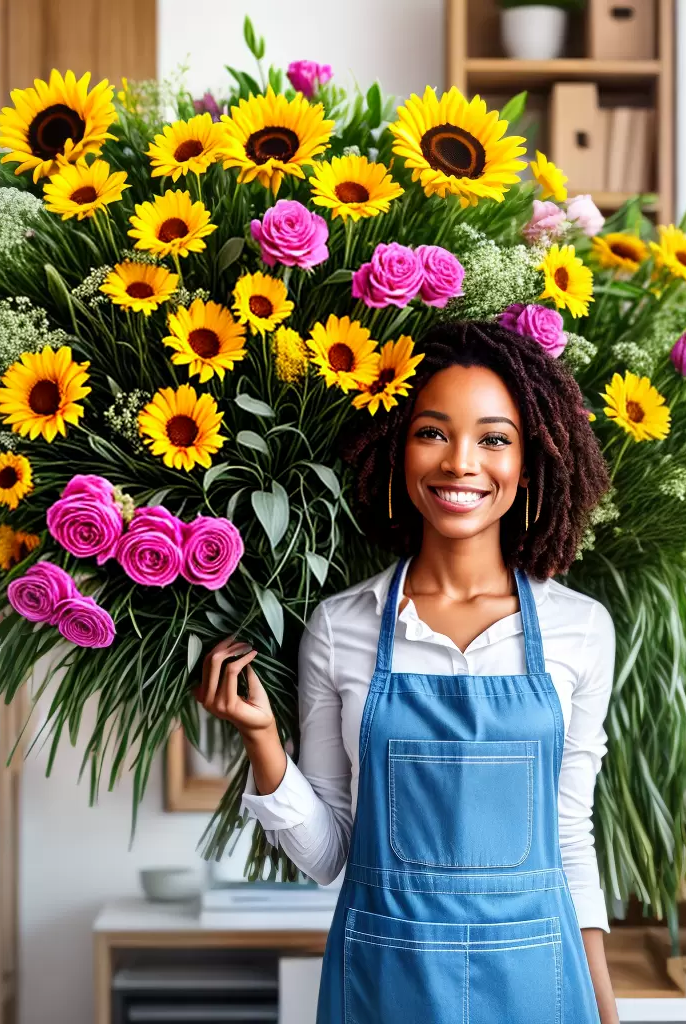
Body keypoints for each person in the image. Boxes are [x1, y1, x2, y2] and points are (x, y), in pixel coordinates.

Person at [194, 319, 619, 1023]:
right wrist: (262, 738)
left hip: (536, 979)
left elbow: (571, 839)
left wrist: (604, 1009)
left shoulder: (580, 630)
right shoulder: (342, 627)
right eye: (433, 432)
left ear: (530, 459)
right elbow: (330, 855)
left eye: (493, 438)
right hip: (384, 978)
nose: (461, 462)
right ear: (397, 450)